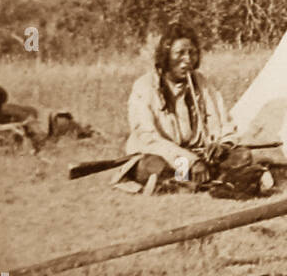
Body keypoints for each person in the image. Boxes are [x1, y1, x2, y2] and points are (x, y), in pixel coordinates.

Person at [114, 23, 271, 196]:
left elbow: (224, 124)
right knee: (153, 166)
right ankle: (207, 180)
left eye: (192, 53)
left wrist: (222, 145)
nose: (187, 59)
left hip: (199, 156)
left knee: (242, 156)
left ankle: (188, 182)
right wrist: (189, 161)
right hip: (165, 157)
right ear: (166, 56)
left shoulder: (201, 83)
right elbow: (148, 138)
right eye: (180, 53)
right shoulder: (144, 87)